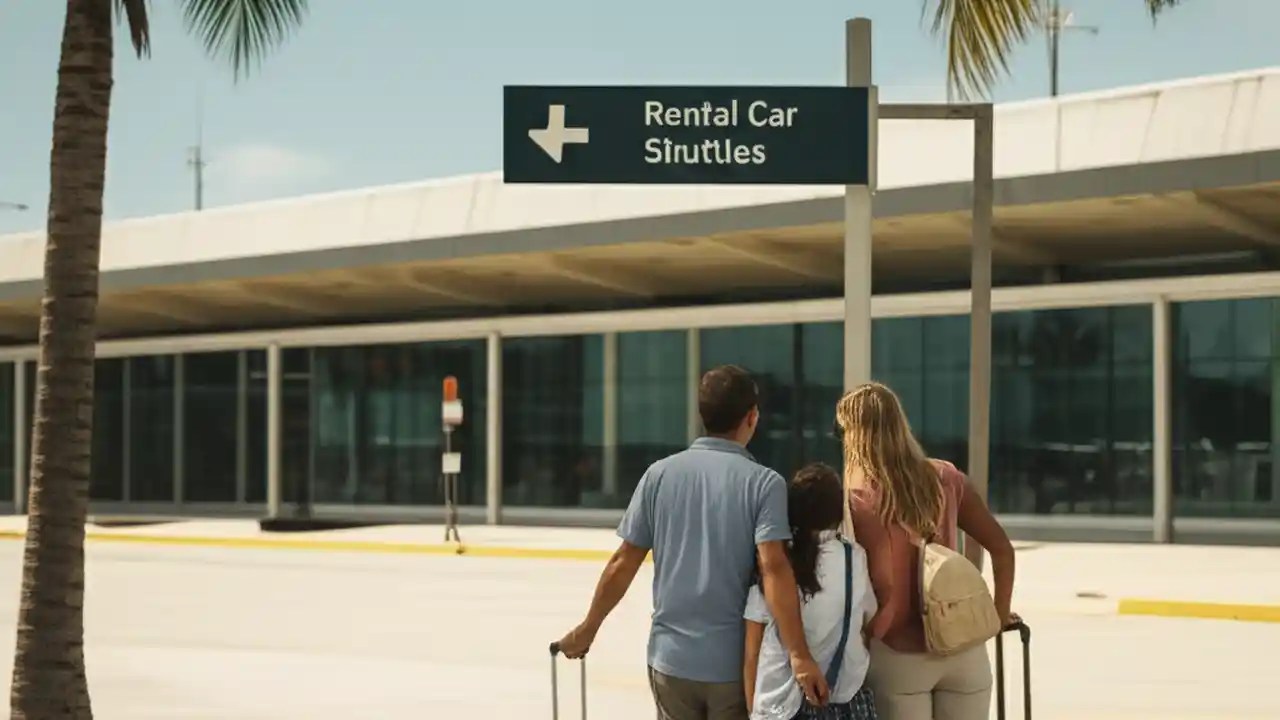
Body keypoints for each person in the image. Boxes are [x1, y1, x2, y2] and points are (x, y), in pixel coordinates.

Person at [556, 365, 829, 719]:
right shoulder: (764, 484)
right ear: (752, 417)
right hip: (732, 667)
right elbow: (773, 566)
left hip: (671, 663)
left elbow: (624, 561)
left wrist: (587, 629)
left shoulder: (659, 474)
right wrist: (799, 654)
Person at [836, 382, 1017, 720]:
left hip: (896, 654)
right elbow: (1002, 549)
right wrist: (1000, 614)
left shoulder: (854, 499)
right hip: (963, 647)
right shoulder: (946, 478)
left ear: (856, 434)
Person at [743, 463, 879, 720]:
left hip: (779, 706)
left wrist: (752, 707)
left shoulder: (778, 561)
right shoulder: (854, 558)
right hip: (842, 698)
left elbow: (753, 646)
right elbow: (867, 619)